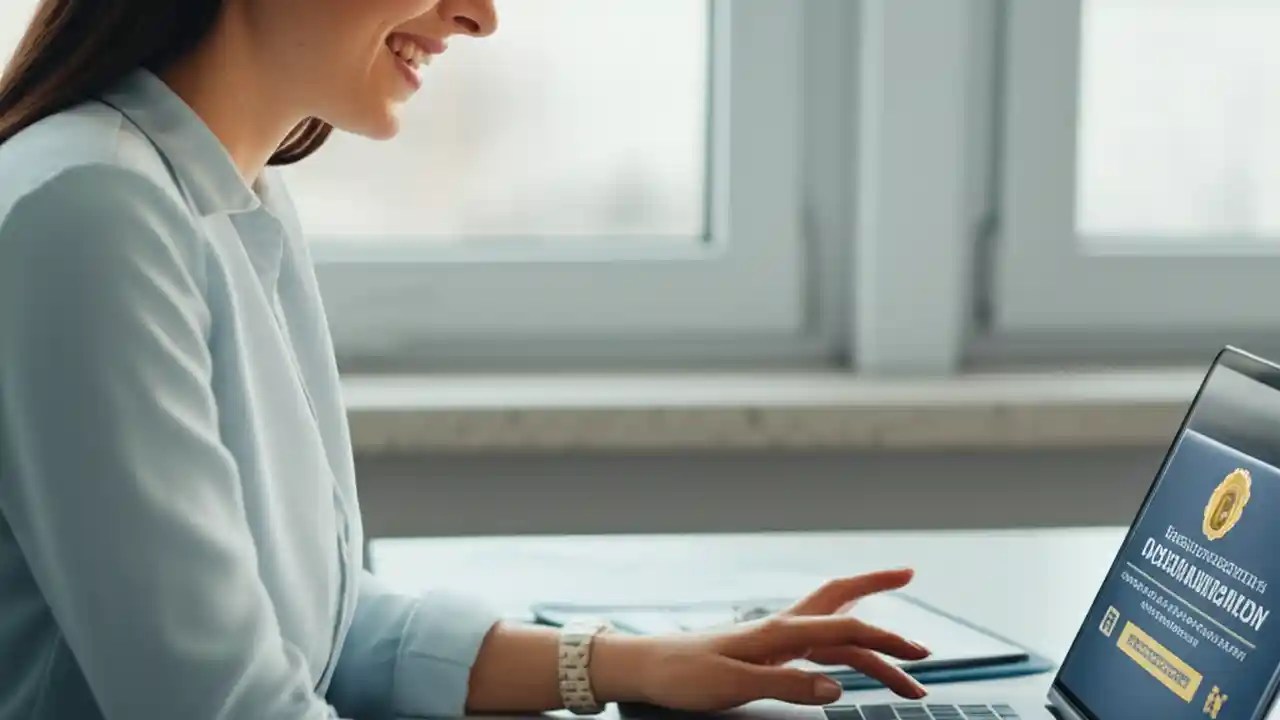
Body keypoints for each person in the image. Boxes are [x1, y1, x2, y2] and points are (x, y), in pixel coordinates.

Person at [0, 1, 931, 718]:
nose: (480, 14)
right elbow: (219, 705)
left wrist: (634, 663)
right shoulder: (91, 212)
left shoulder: (232, 197)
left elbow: (324, 630)